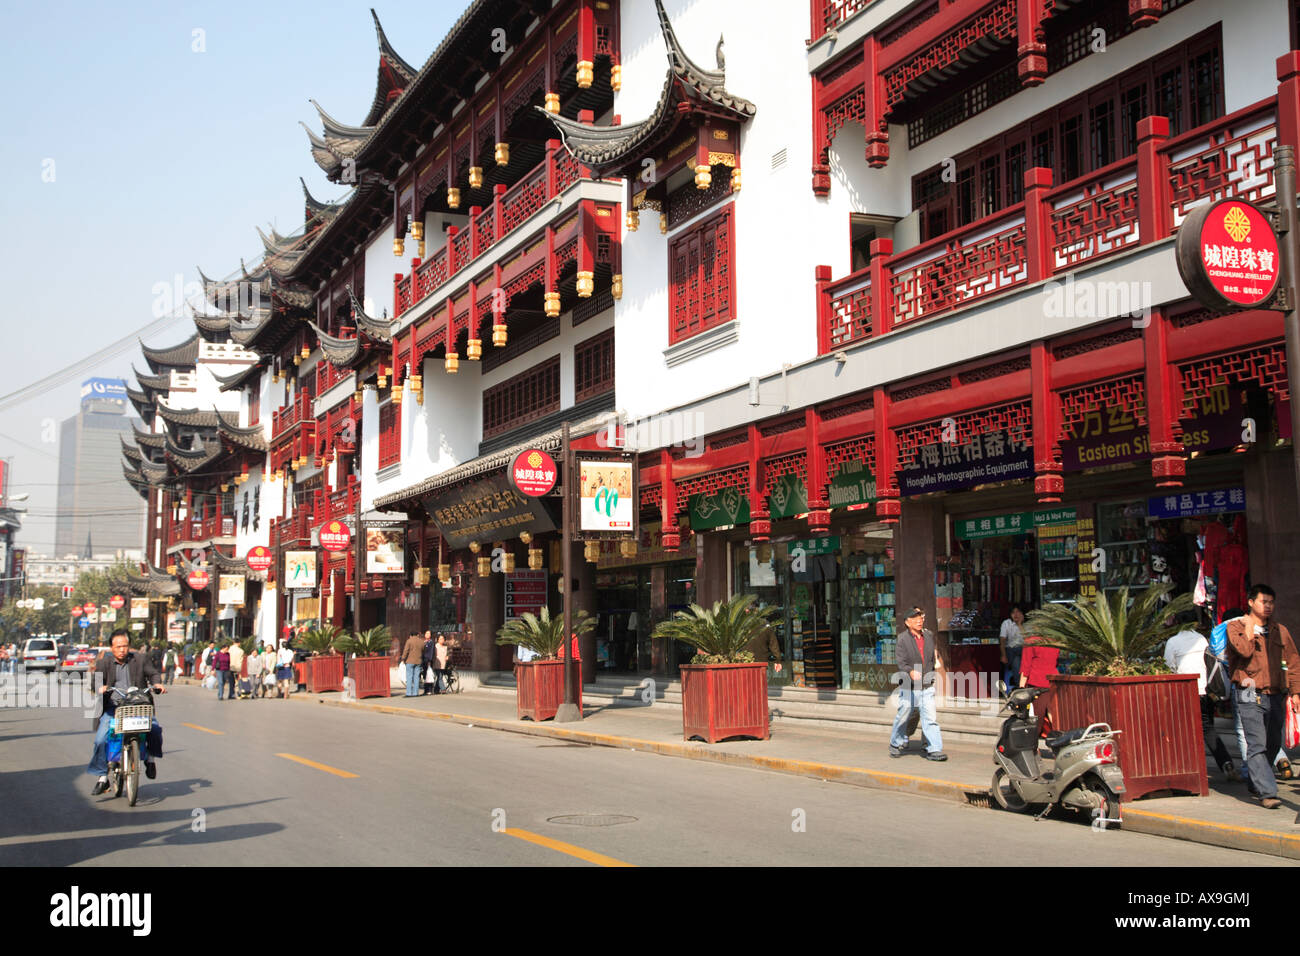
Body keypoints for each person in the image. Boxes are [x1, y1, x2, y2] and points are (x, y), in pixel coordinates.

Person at [1224, 584, 1300, 810]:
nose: (1268, 606)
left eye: (1271, 602)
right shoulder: (1235, 627)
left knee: (1273, 742)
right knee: (1256, 742)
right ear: (1250, 602)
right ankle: (1267, 791)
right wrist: (1249, 628)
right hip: (1248, 688)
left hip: (1276, 691)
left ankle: (1257, 781)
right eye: (1263, 602)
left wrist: (1295, 691)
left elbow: (1294, 661)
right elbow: (1245, 652)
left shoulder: (1280, 630)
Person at [88, 630, 166, 795]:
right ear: (112, 648)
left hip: (137, 707)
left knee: (155, 729)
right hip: (113, 709)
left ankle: (150, 760)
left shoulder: (140, 660)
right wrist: (99, 687)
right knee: (101, 740)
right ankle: (102, 778)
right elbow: (95, 681)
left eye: (125, 646)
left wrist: (157, 684)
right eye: (118, 647)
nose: (122, 650)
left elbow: (153, 674)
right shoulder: (104, 663)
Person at [1164, 615, 1235, 779]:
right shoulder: (1201, 638)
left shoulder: (1173, 641)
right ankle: (1226, 763)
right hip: (1206, 690)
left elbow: (1169, 667)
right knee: (1208, 728)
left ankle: (1191, 768)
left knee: (1184, 730)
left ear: (1175, 623)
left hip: (1186, 691)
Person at [890, 606, 946, 761]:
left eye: (921, 617)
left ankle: (934, 749)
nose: (919, 621)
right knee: (904, 714)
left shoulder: (928, 635)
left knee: (930, 717)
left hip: (926, 684)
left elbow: (931, 658)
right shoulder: (902, 639)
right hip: (909, 685)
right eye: (915, 618)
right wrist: (910, 671)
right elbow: (901, 662)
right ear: (908, 622)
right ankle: (895, 743)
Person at [999, 605, 1026, 692]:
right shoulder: (1006, 623)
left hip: (1024, 651)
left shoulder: (1027, 625)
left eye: (1018, 612)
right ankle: (1020, 686)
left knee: (1017, 661)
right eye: (1013, 612)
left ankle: (1020, 686)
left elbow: (1028, 639)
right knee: (1016, 659)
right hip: (1010, 651)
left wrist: (1019, 625)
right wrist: (1003, 655)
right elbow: (1002, 640)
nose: (1016, 615)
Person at [400, 631, 424, 698]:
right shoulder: (421, 641)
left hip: (410, 661)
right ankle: (416, 693)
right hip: (418, 661)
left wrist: (403, 658)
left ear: (411, 635)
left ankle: (409, 693)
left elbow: (406, 651)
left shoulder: (409, 641)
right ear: (417, 635)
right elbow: (423, 650)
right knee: (416, 677)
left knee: (409, 677)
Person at [421, 631, 436, 696]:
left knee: (429, 675)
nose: (427, 635)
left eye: (428, 634)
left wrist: (429, 660)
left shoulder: (431, 642)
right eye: (426, 633)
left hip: (428, 661)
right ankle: (425, 690)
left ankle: (429, 690)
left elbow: (431, 652)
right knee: (425, 675)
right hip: (423, 661)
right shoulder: (423, 642)